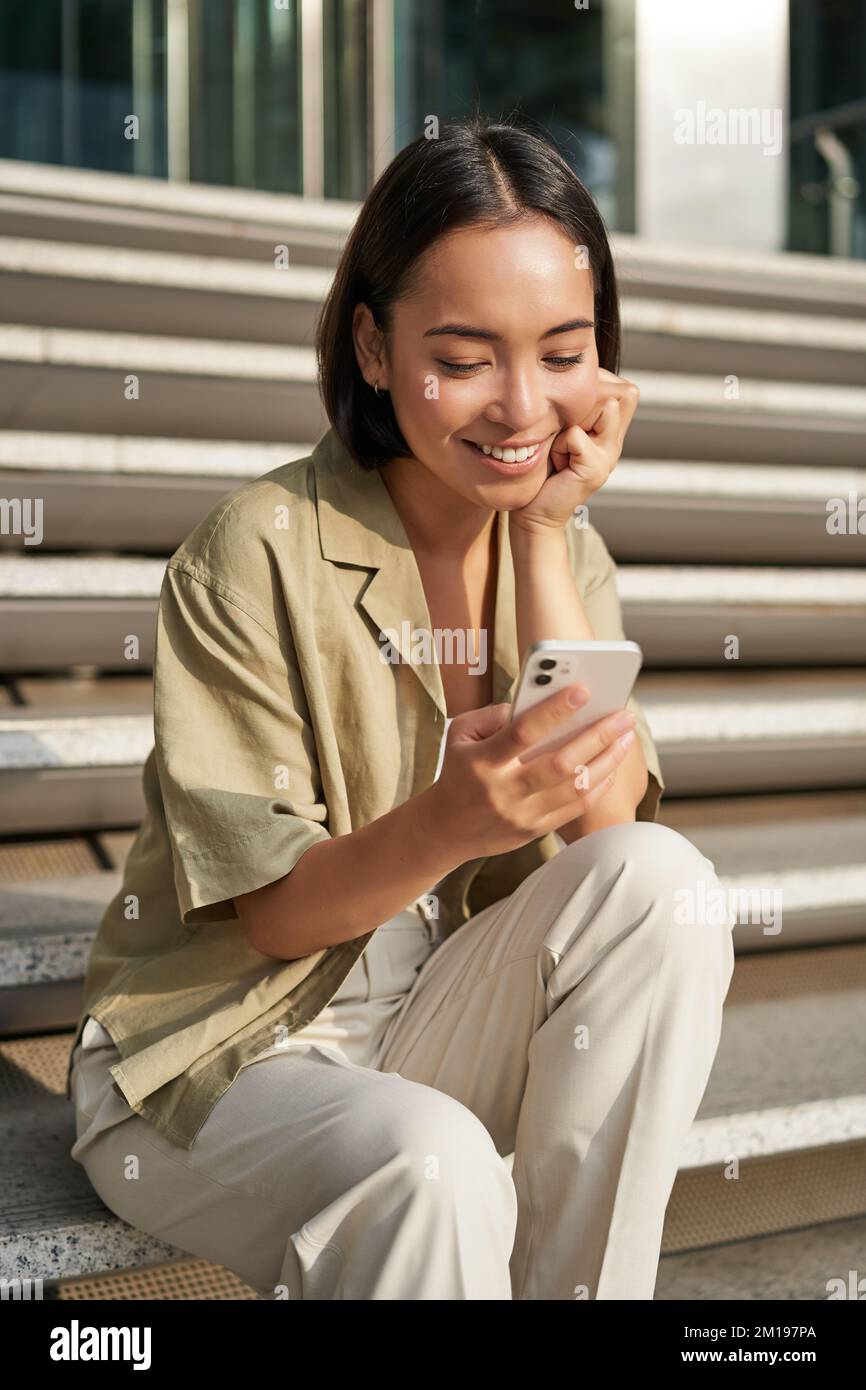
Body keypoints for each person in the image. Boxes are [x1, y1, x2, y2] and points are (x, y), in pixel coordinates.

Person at [66, 115, 735, 1301]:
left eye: (562, 352)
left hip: (424, 1021)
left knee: (662, 880)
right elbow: (273, 919)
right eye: (465, 357)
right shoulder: (253, 550)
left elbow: (607, 828)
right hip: (224, 1056)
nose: (521, 406)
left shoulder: (561, 541)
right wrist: (451, 820)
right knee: (432, 1167)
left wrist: (537, 533)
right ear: (373, 350)